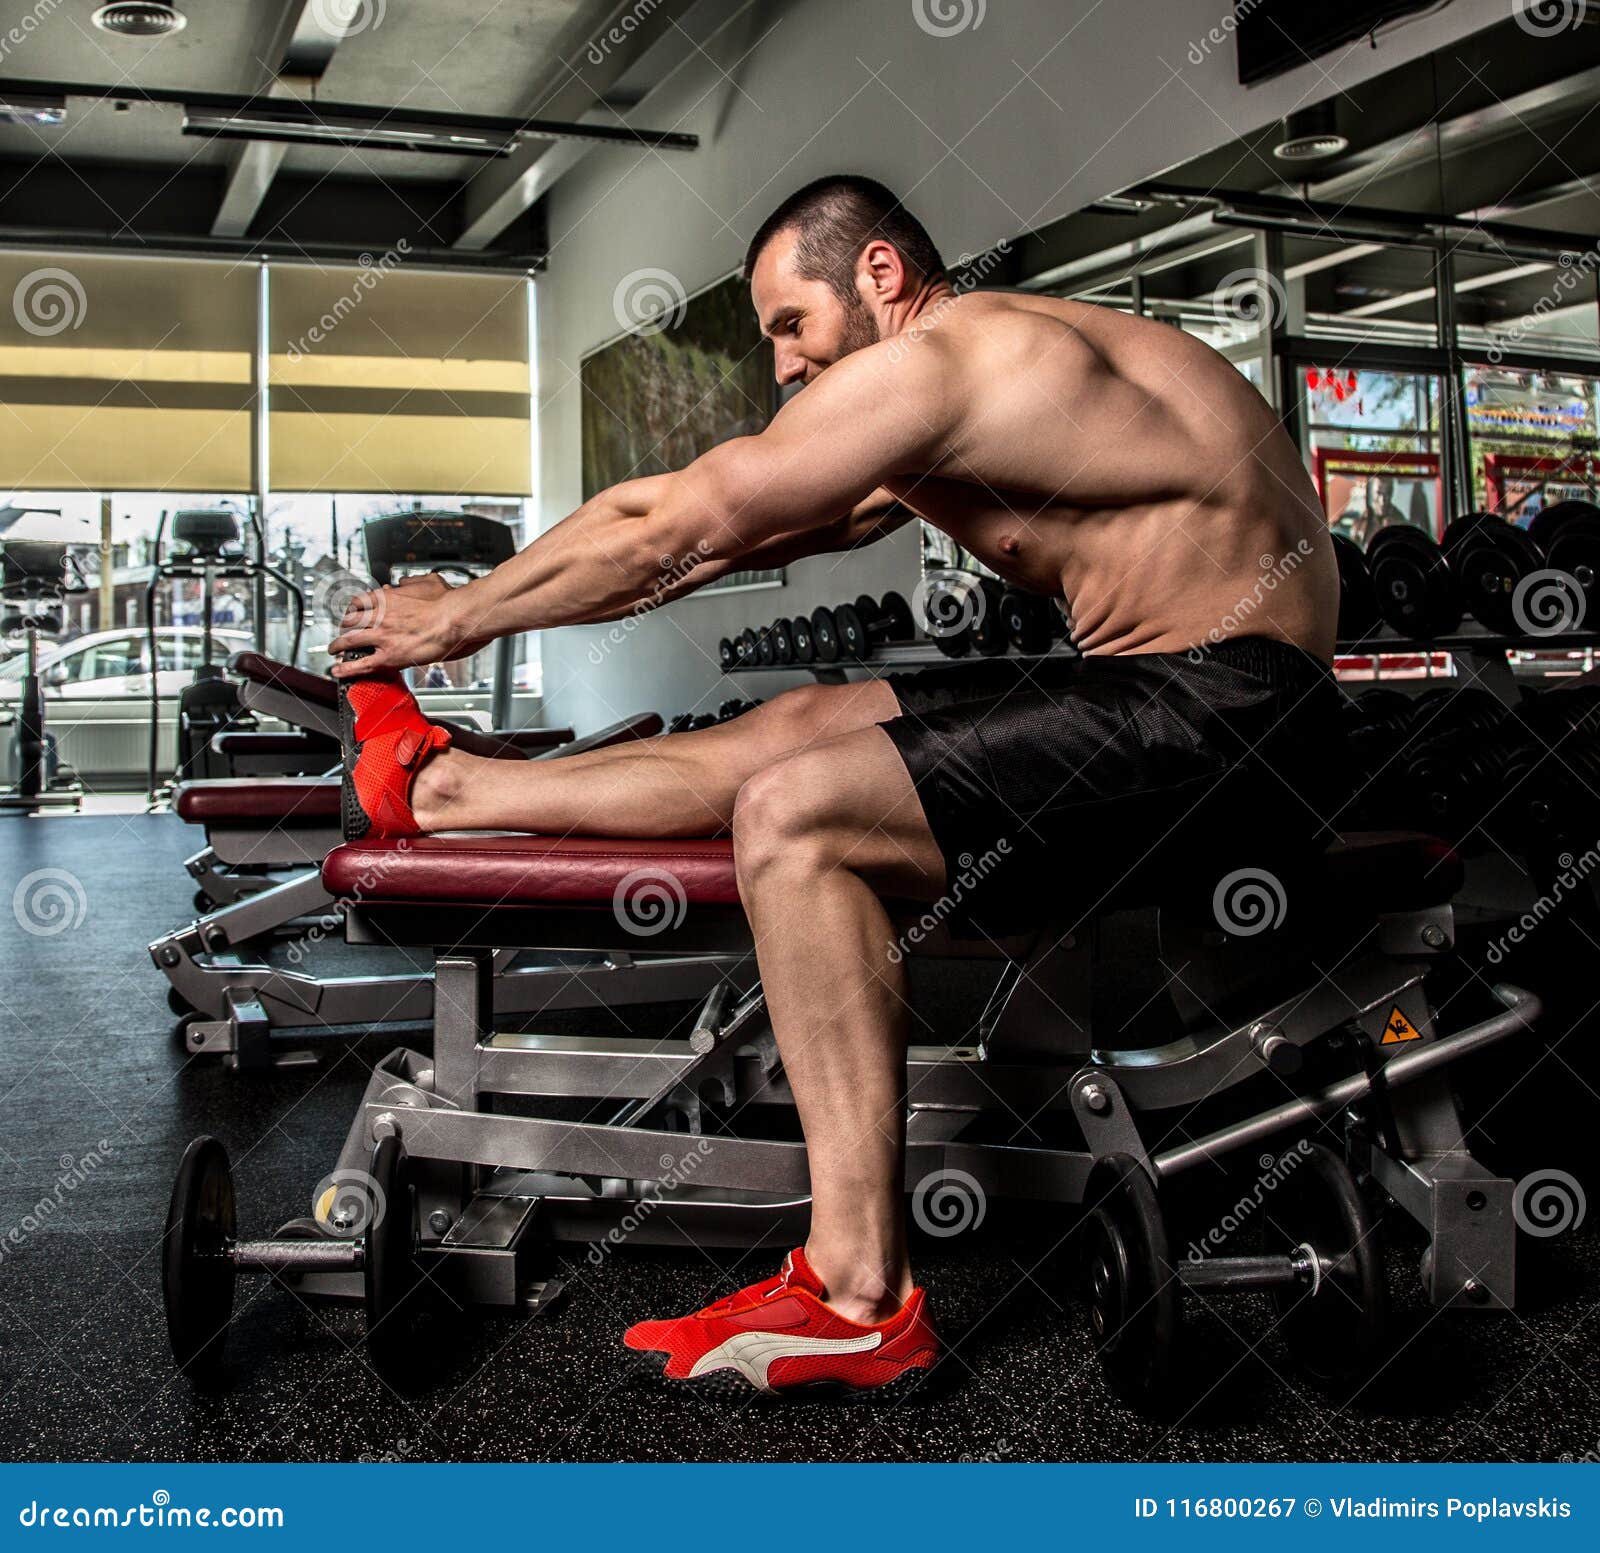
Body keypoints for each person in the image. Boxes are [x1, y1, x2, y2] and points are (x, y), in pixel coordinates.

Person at [329, 174, 1345, 1398]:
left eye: (787, 325)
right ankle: (445, 791)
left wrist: (457, 618)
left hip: (1228, 720)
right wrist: (496, 612)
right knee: (805, 723)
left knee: (794, 815)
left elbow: (676, 522)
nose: (779, 367)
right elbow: (733, 531)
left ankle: (858, 1292)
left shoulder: (954, 361)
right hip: (1187, 698)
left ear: (878, 276)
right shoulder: (970, 385)